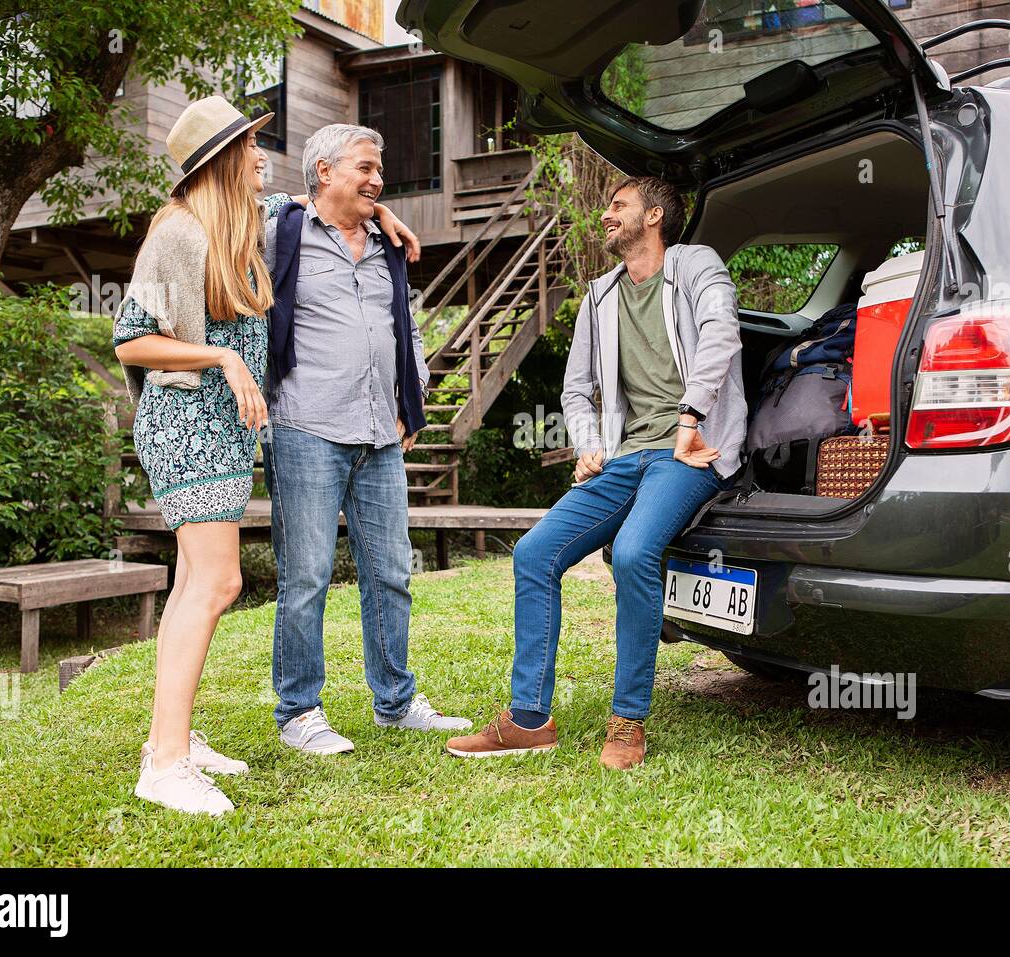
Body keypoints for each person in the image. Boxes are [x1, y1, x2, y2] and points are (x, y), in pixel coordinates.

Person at [113, 99, 417, 815]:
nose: (260, 157)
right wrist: (222, 354)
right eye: (249, 146)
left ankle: (173, 738)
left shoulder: (245, 217)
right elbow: (130, 338)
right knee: (216, 585)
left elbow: (326, 196)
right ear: (222, 159)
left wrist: (382, 215)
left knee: (194, 584)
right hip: (186, 423)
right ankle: (164, 764)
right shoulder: (177, 231)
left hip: (222, 428)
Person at [445, 176, 747, 770]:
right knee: (535, 553)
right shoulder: (600, 294)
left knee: (635, 554)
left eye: (618, 205)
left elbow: (721, 333)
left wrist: (690, 416)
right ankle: (529, 719)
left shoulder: (696, 266)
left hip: (691, 452)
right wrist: (588, 445)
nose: (605, 215)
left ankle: (628, 718)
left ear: (654, 216)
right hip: (626, 457)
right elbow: (576, 388)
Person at [260, 124, 472, 757]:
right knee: (307, 576)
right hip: (306, 428)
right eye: (365, 169)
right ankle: (299, 711)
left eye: (380, 171)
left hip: (381, 431)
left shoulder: (385, 245)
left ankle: (396, 702)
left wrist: (413, 398)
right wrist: (367, 205)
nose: (377, 180)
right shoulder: (284, 232)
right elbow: (233, 210)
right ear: (323, 173)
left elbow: (401, 326)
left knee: (392, 572)